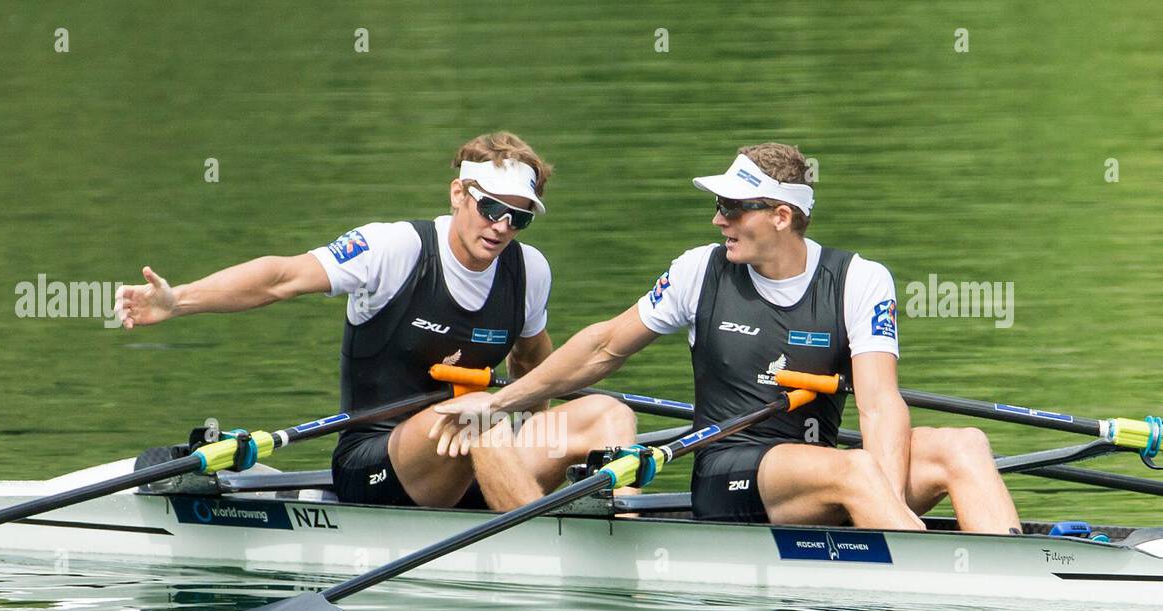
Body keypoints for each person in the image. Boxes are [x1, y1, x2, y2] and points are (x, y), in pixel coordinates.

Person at [430, 143, 1021, 533]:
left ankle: (1020, 582)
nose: (719, 220)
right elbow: (606, 346)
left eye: (734, 208)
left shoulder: (859, 279)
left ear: (782, 216)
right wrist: (502, 402)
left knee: (962, 445)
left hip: (826, 474)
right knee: (856, 472)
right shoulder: (699, 270)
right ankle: (935, 584)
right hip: (730, 471)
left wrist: (879, 497)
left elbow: (878, 403)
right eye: (719, 206)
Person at [115, 131, 635, 510]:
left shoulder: (530, 270)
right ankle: (541, 547)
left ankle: (622, 530)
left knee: (607, 413)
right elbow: (280, 277)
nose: (502, 227)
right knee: (482, 413)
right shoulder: (395, 249)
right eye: (491, 208)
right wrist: (177, 300)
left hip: (481, 443)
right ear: (458, 194)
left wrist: (524, 426)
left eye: (518, 217)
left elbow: (533, 362)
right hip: (376, 464)